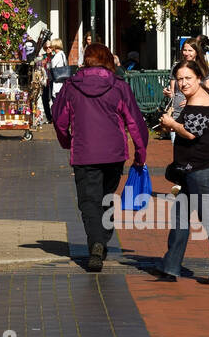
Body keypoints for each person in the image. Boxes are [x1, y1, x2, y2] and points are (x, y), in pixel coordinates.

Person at [52, 43, 148, 273]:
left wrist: (67, 142)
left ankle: (96, 241)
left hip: (84, 152)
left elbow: (60, 119)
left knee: (89, 201)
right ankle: (101, 238)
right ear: (108, 61)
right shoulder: (119, 87)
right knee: (106, 196)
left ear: (86, 60)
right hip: (114, 152)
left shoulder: (72, 86)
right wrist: (140, 152)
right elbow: (135, 121)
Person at [155, 58, 209, 284]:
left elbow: (191, 133)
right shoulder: (192, 100)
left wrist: (172, 124)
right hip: (191, 170)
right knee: (180, 218)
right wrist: (170, 123)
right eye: (179, 79)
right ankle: (171, 266)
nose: (183, 83)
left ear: (199, 78)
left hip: (203, 171)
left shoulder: (200, 101)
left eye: (188, 78)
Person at [45, 39, 69, 120]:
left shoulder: (58, 55)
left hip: (57, 81)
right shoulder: (63, 54)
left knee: (56, 101)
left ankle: (58, 118)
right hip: (61, 81)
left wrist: (48, 63)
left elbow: (51, 66)